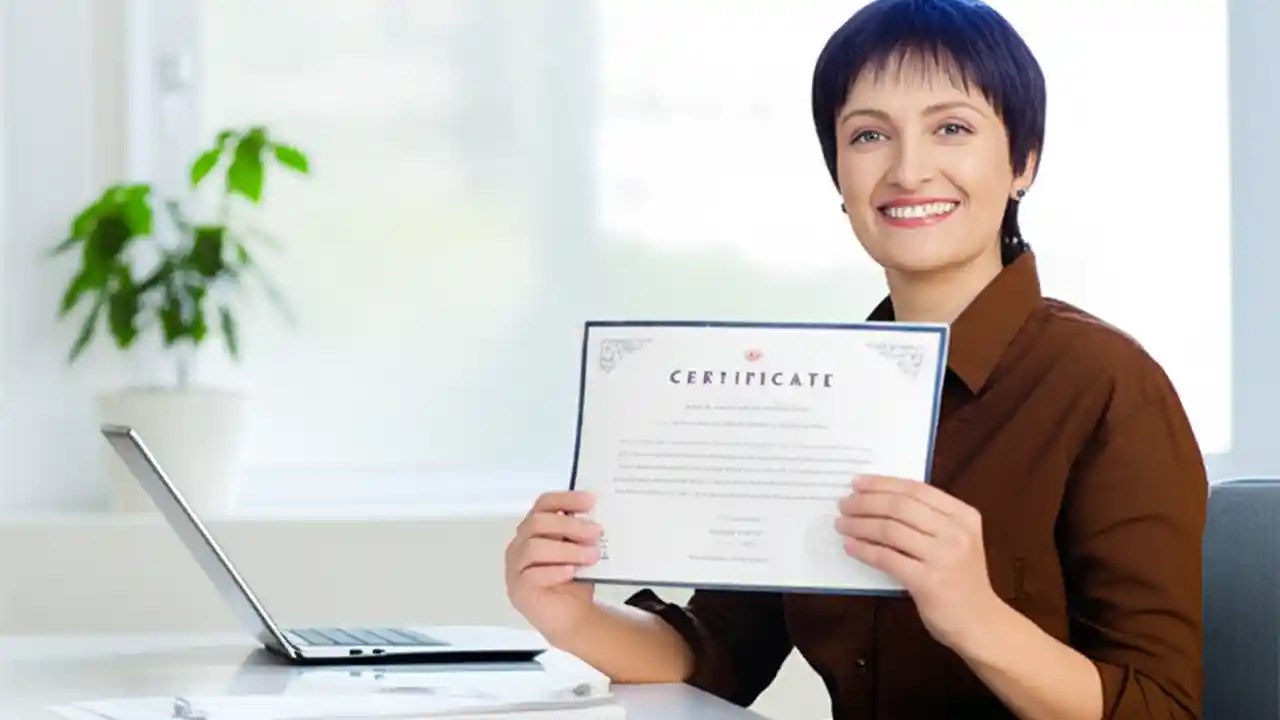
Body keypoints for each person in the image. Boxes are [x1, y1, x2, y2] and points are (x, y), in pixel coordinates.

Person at [503, 0, 1207, 718]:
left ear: (1023, 161)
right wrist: (568, 615)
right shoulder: (816, 391)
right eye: (869, 135)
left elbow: (1161, 707)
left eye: (952, 128)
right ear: (839, 175)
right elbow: (718, 652)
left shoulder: (1108, 385)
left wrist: (973, 615)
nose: (908, 169)